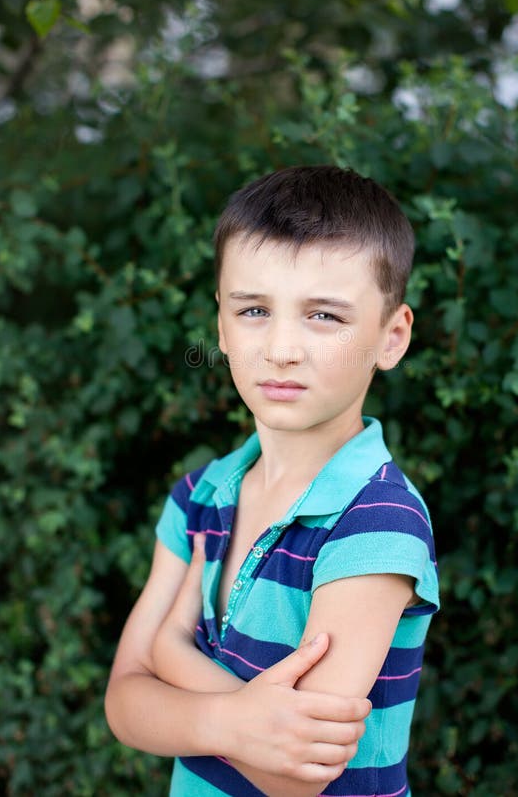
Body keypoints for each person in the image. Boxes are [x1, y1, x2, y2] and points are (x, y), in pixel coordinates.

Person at [105, 165, 440, 797]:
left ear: (391, 336)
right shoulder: (199, 496)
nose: (282, 347)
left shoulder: (377, 521)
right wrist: (233, 719)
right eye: (254, 309)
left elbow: (295, 776)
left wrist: (174, 651)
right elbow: (124, 705)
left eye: (324, 316)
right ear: (223, 328)